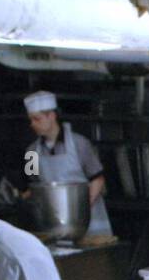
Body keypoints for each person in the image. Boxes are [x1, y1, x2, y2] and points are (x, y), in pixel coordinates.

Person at [21, 90, 112, 237]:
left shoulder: (80, 144)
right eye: (30, 120)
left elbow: (98, 179)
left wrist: (82, 209)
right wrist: (19, 198)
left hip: (89, 222)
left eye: (37, 119)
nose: (32, 124)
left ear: (51, 116)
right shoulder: (31, 152)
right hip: (53, 223)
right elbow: (33, 185)